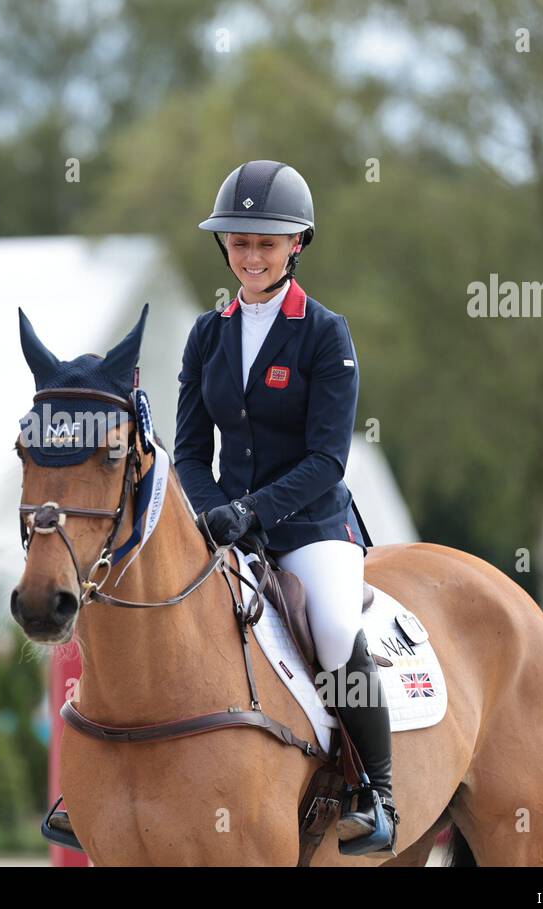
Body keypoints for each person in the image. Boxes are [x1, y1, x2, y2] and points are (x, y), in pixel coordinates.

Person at [174, 161, 397, 856]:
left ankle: (379, 792)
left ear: (296, 244)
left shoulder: (326, 334)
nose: (251, 256)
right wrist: (216, 513)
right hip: (223, 527)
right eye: (239, 242)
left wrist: (250, 513)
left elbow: (328, 459)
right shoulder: (206, 334)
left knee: (331, 626)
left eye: (266, 244)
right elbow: (188, 452)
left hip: (310, 525)